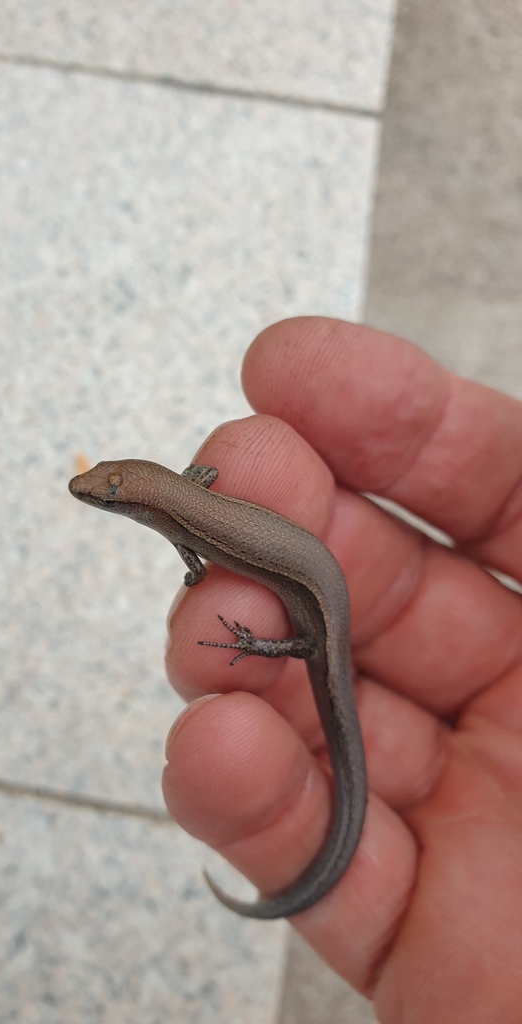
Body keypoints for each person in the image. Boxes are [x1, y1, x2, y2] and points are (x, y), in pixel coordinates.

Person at [161, 317, 522, 1024]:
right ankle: (311, 870)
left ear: (138, 502)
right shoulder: (189, 493)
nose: (98, 497)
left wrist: (265, 646)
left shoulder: (181, 524)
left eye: (110, 495)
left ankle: (269, 654)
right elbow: (199, 494)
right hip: (319, 586)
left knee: (294, 659)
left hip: (318, 616)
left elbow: (198, 566)